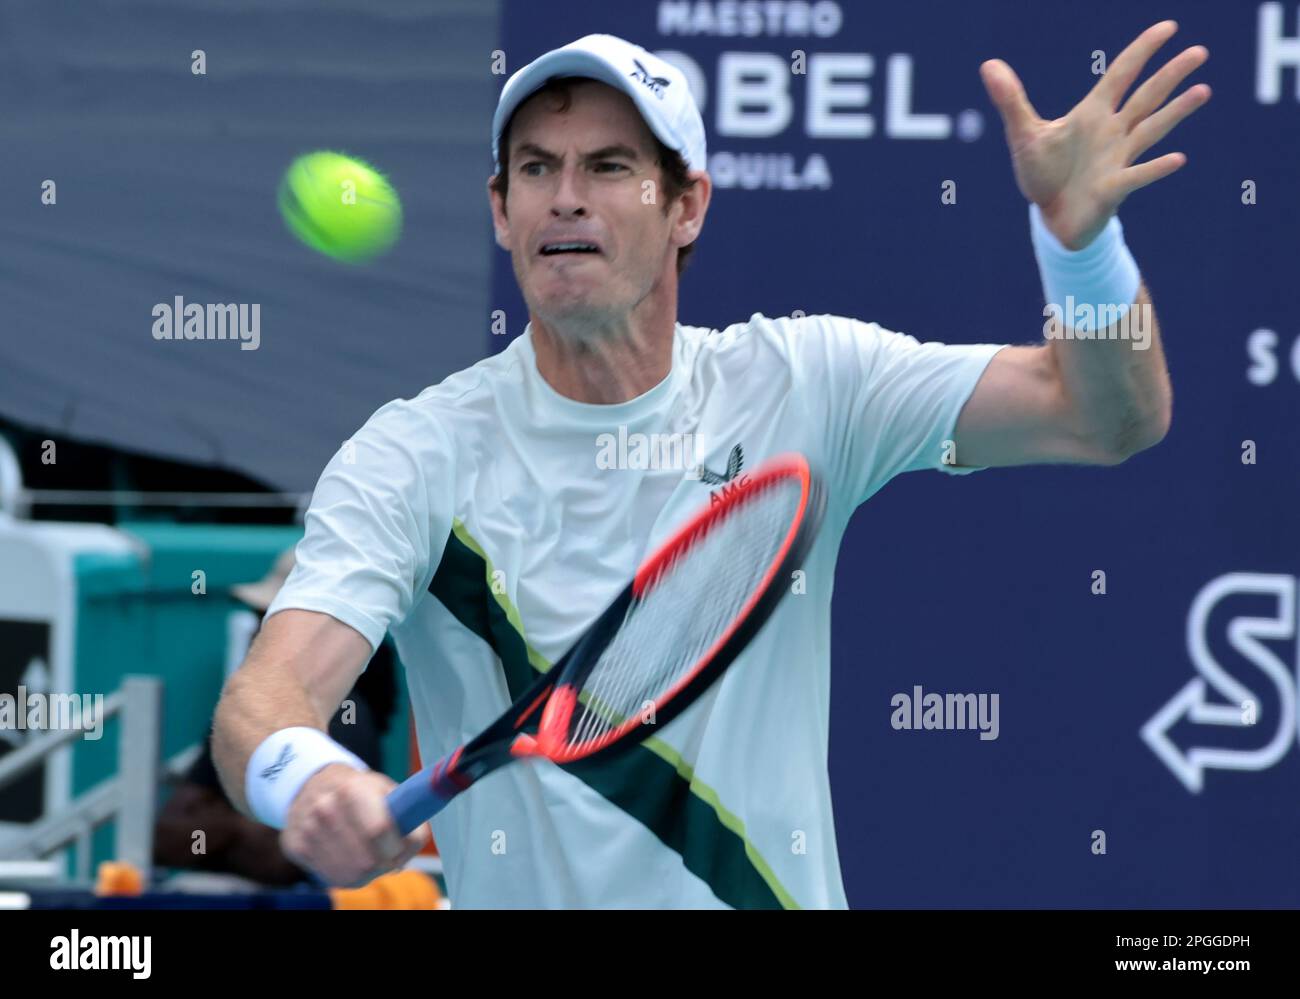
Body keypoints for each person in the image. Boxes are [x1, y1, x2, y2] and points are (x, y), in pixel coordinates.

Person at [211, 25, 1209, 907]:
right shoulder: (412, 456)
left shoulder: (808, 383)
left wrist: (1080, 248)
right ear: (500, 209)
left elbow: (1103, 416)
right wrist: (311, 781)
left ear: (686, 204)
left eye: (609, 167)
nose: (566, 198)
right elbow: (265, 699)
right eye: (534, 168)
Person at [156, 550, 396, 885]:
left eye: (269, 619)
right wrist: (254, 827)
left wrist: (223, 822)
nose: (257, 632)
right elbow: (168, 837)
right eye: (257, 617)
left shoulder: (349, 718)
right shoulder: (242, 714)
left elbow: (282, 861)